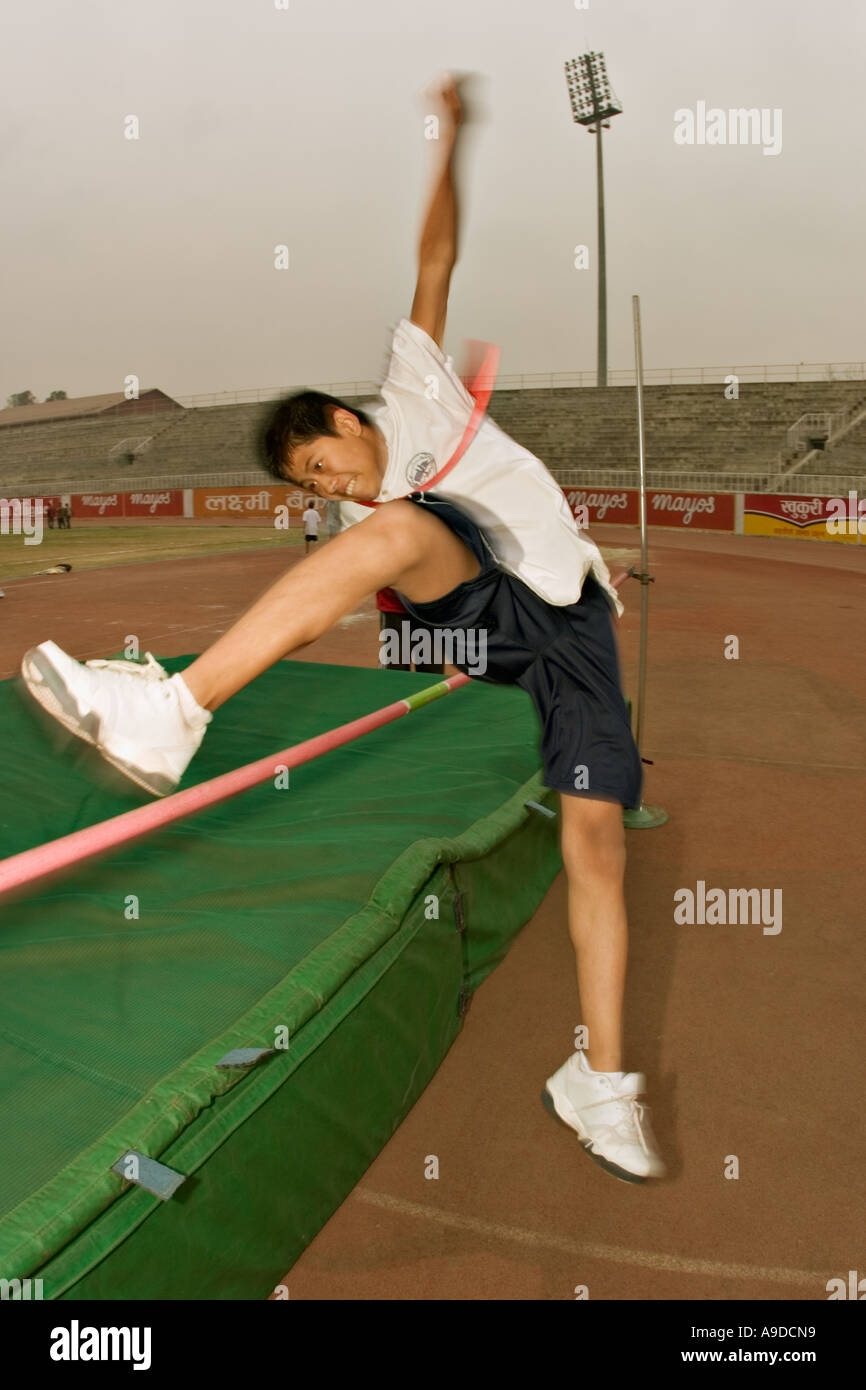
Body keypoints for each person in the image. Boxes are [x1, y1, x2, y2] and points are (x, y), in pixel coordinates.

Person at [19, 74, 663, 1184]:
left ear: (337, 418)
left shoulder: (407, 381)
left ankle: (597, 1082)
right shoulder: (379, 510)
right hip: (471, 592)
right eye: (310, 483)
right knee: (395, 532)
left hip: (569, 621)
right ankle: (172, 711)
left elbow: (436, 261)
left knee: (593, 840)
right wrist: (363, 541)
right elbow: (375, 544)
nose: (329, 483)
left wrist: (450, 139)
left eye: (323, 465)